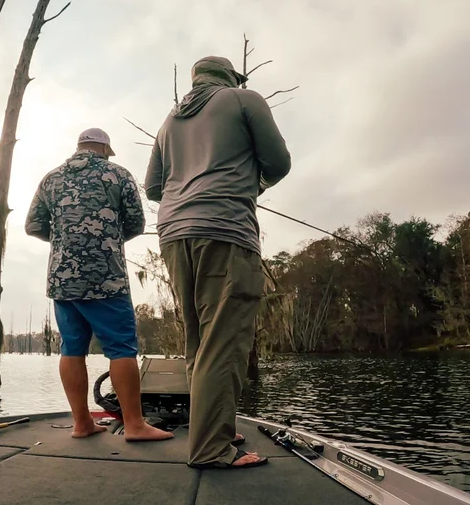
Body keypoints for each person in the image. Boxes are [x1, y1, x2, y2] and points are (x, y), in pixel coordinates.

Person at [144, 56, 291, 469]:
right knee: (224, 340)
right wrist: (253, 184)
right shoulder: (245, 100)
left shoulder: (168, 122)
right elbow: (279, 164)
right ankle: (211, 448)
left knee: (198, 338)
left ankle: (214, 426)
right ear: (229, 77)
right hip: (225, 229)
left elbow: (153, 187)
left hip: (173, 234)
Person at [26, 127, 173, 443]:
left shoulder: (50, 178)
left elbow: (33, 225)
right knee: (121, 348)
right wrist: (102, 240)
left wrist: (69, 240)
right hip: (105, 277)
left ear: (79, 146)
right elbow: (135, 223)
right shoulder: (118, 174)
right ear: (105, 149)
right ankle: (134, 425)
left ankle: (81, 423)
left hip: (62, 278)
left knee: (72, 348)